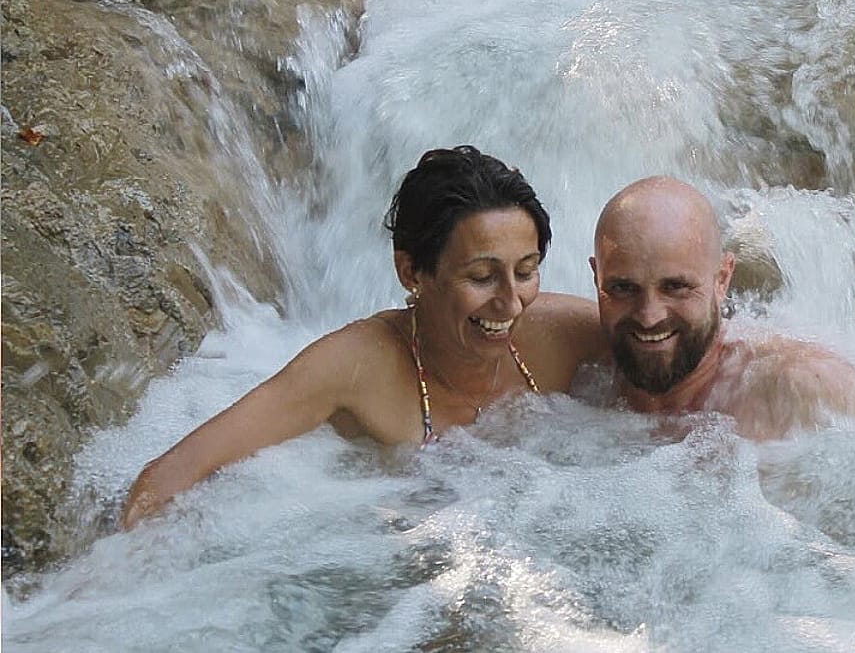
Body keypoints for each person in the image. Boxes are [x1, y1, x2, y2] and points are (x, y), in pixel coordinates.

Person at [122, 146, 604, 528]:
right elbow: (170, 476)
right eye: (481, 277)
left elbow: (651, 334)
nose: (512, 302)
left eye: (526, 271)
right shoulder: (354, 366)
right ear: (411, 271)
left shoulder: (558, 334)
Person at [589, 176, 855, 440]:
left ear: (722, 279)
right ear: (597, 278)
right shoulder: (583, 362)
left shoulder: (807, 391)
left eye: (675, 287)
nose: (649, 316)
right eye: (623, 288)